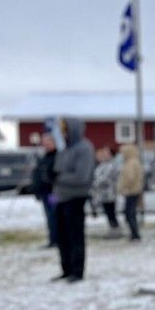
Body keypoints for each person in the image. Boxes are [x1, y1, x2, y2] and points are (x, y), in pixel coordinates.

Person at [51, 118, 96, 282]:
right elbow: (55, 174)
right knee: (61, 236)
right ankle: (66, 268)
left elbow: (82, 176)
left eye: (65, 130)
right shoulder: (64, 149)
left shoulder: (84, 149)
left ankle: (77, 270)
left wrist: (59, 177)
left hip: (75, 198)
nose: (63, 134)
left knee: (75, 235)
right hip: (59, 198)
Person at [32, 132, 59, 247]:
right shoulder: (43, 158)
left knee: (55, 215)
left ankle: (58, 239)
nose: (46, 145)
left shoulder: (57, 156)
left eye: (48, 143)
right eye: (44, 143)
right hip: (44, 192)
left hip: (53, 193)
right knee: (49, 217)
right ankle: (52, 239)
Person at [90, 147, 121, 237]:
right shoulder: (103, 164)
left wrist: (95, 183)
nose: (104, 155)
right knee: (108, 212)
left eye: (106, 153)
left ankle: (115, 230)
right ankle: (112, 229)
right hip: (102, 194)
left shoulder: (112, 165)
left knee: (111, 212)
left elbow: (105, 178)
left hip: (109, 193)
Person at [118, 144, 144, 241]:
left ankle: (134, 233)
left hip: (131, 191)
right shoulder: (135, 161)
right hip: (135, 190)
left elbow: (130, 177)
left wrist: (124, 187)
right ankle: (135, 232)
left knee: (129, 213)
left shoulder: (130, 163)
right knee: (131, 213)